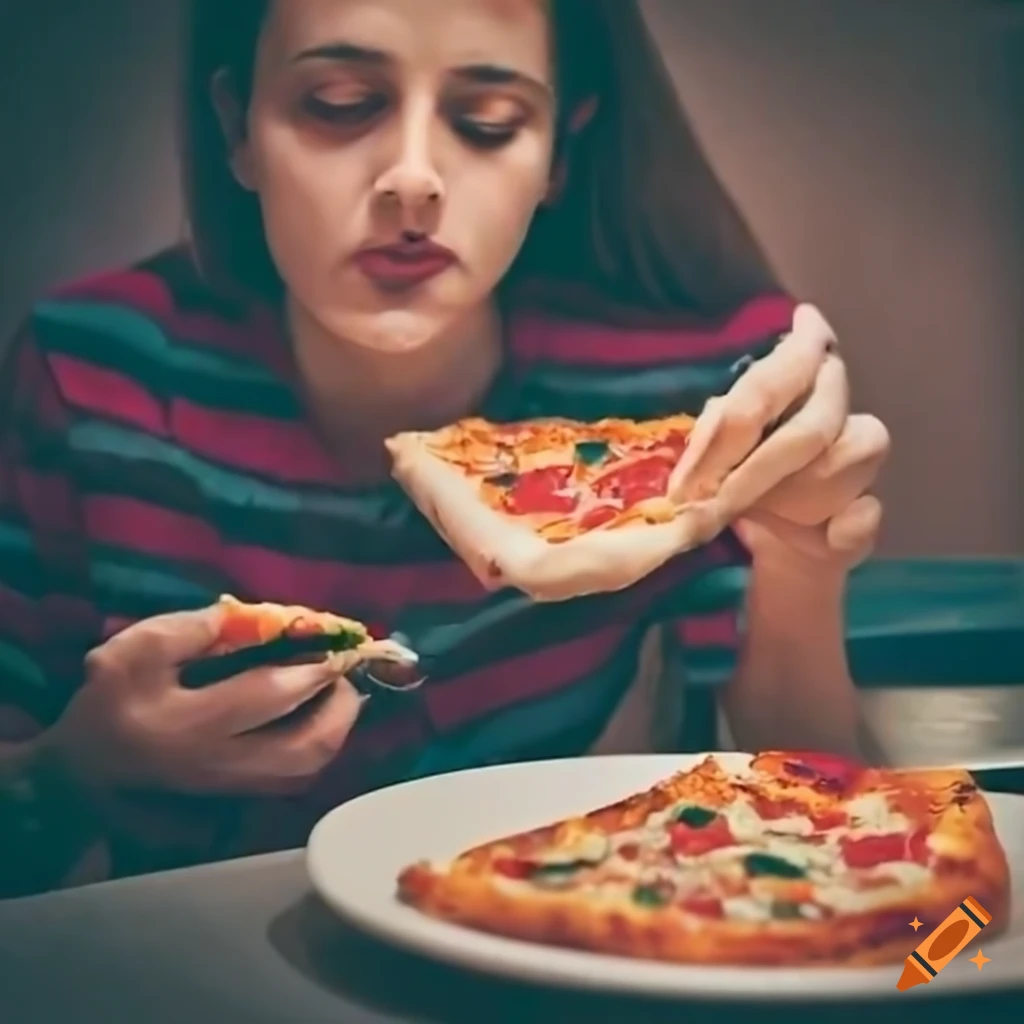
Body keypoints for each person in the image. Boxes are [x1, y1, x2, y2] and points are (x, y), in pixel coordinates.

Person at [0, 0, 889, 897]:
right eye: (341, 103)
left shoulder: (680, 390)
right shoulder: (92, 369)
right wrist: (69, 772)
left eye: (487, 123)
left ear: (559, 151)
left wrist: (802, 559)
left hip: (540, 949)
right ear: (238, 129)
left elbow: (823, 814)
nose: (413, 179)